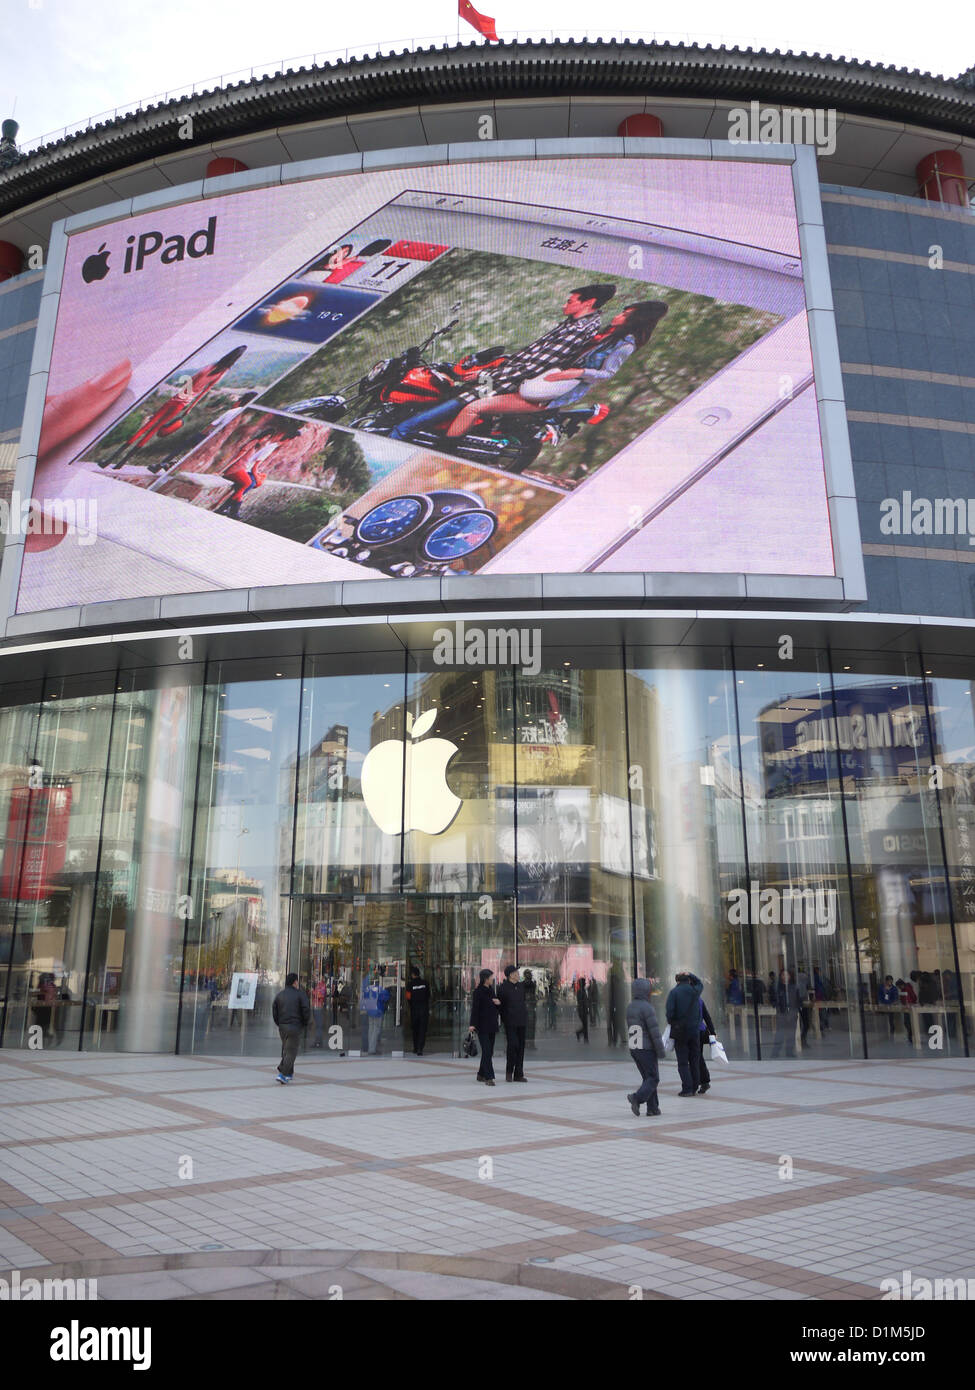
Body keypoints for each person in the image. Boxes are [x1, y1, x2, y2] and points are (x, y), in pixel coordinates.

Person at [389, 284, 616, 442]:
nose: (565, 305)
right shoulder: (573, 324)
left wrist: (483, 376)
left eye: (570, 301)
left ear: (589, 302)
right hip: (503, 378)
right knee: (447, 385)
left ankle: (419, 441)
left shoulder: (577, 331)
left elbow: (533, 366)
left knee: (412, 423)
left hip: (505, 385)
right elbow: (527, 357)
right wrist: (491, 365)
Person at [446, 299, 667, 444]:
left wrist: (571, 373)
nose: (618, 316)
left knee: (474, 407)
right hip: (536, 377)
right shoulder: (603, 334)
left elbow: (607, 374)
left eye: (625, 314)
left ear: (634, 319)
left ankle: (446, 448)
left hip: (550, 389)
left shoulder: (624, 345)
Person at [625, 978, 666, 1116]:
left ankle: (653, 1108)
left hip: (635, 1047)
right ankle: (636, 1098)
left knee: (648, 1078)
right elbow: (654, 1032)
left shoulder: (630, 1006)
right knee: (653, 1078)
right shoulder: (647, 1007)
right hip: (646, 1047)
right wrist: (660, 1050)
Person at [666, 969, 704, 1096]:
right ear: (688, 980)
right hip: (695, 1030)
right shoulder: (694, 991)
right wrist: (690, 974)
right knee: (694, 1059)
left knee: (682, 1061)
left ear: (677, 981)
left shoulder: (673, 993)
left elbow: (670, 1013)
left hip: (680, 1031)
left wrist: (673, 1022)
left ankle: (687, 1088)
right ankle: (694, 1086)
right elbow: (700, 983)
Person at [272, 972, 310, 1083]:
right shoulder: (300, 994)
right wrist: (304, 1023)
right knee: (291, 1052)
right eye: (297, 981)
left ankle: (289, 1073)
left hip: (283, 1027)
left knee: (287, 1049)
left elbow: (275, 1011)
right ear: (295, 982)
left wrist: (279, 1023)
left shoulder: (279, 995)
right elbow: (306, 1010)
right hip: (295, 1026)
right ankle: (282, 1073)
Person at [469, 968, 501, 1085]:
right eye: (491, 977)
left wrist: (498, 1003)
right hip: (482, 1026)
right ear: (485, 979)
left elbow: (495, 1006)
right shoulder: (478, 992)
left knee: (489, 1051)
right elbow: (475, 1009)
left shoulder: (491, 990)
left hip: (492, 1025)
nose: (492, 979)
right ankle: (489, 1077)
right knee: (487, 1051)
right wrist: (472, 1024)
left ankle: (480, 1074)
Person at [498, 963, 528, 1082]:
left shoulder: (521, 986)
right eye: (516, 972)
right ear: (510, 975)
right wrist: (505, 1019)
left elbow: (523, 1001)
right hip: (510, 1022)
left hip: (522, 1021)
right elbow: (500, 1006)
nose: (518, 974)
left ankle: (518, 1074)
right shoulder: (503, 988)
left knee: (521, 1047)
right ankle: (509, 1071)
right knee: (512, 1045)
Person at [771, 969, 801, 1059]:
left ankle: (789, 1051)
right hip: (782, 1013)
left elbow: (799, 999)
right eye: (783, 975)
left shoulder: (794, 987)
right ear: (781, 976)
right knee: (780, 1033)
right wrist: (776, 1006)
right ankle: (775, 1052)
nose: (785, 977)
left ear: (790, 976)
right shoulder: (777, 987)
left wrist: (797, 1008)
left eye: (787, 975)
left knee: (791, 1033)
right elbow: (773, 999)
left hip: (792, 1012)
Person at [359, 974, 390, 1054]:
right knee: (376, 1030)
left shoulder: (368, 989)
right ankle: (372, 1049)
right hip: (378, 1011)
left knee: (371, 1029)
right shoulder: (380, 989)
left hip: (370, 1010)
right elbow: (386, 997)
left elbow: (364, 998)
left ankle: (371, 1047)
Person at [406, 964, 432, 1056]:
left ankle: (416, 1047)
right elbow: (429, 995)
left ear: (412, 975)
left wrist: (411, 1006)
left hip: (414, 1010)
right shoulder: (425, 983)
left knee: (415, 1029)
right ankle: (420, 1048)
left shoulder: (410, 984)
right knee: (422, 1029)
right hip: (424, 1009)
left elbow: (408, 997)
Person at [896, 976, 917, 1042]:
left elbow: (913, 997)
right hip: (906, 1007)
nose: (899, 988)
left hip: (909, 1008)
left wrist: (911, 1003)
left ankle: (911, 1036)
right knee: (907, 1023)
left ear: (901, 985)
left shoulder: (908, 989)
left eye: (899, 986)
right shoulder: (903, 990)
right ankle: (910, 1036)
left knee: (908, 1022)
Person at [522, 969, 538, 1049]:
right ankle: (529, 1043)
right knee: (529, 1027)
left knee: (530, 1027)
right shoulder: (529, 984)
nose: (530, 976)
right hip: (528, 1007)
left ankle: (530, 1043)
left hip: (529, 1007)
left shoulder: (531, 984)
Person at [311, 975, 329, 1047]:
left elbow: (321, 995)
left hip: (319, 1007)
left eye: (316, 977)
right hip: (315, 1006)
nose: (315, 978)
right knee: (316, 1025)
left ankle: (318, 1041)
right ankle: (317, 1041)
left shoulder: (322, 985)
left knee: (319, 1025)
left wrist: (313, 992)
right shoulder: (316, 985)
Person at [575, 977, 590, 1043]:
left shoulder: (583, 991)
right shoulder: (580, 992)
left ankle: (585, 1038)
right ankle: (581, 1035)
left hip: (584, 1010)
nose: (584, 984)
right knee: (585, 1025)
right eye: (583, 983)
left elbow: (585, 1001)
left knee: (585, 1025)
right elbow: (581, 1002)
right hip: (582, 1011)